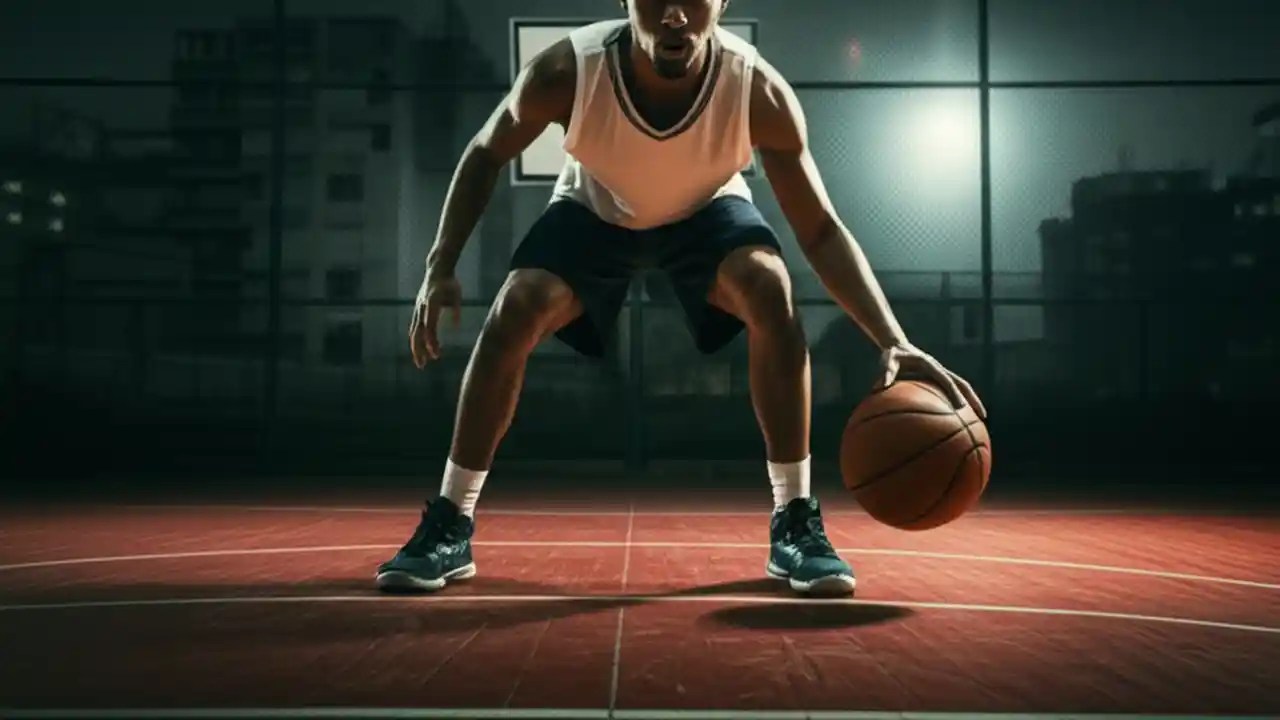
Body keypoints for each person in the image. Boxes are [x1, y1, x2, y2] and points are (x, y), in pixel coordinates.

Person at [376, 0, 986, 597]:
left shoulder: (756, 91)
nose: (674, 15)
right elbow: (486, 151)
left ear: (722, 4)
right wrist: (440, 263)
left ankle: (795, 518)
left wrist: (893, 340)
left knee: (771, 287)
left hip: (706, 208)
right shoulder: (567, 69)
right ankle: (451, 522)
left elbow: (821, 230)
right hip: (595, 206)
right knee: (516, 308)